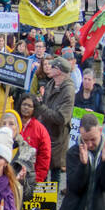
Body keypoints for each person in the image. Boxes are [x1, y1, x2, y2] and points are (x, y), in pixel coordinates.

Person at [35, 56, 74, 187]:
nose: (48, 68)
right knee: (42, 169)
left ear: (58, 70)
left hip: (57, 137)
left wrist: (42, 108)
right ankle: (41, 201)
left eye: (52, 66)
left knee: (55, 171)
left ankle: (51, 204)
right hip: (45, 132)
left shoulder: (68, 90)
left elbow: (62, 118)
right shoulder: (51, 83)